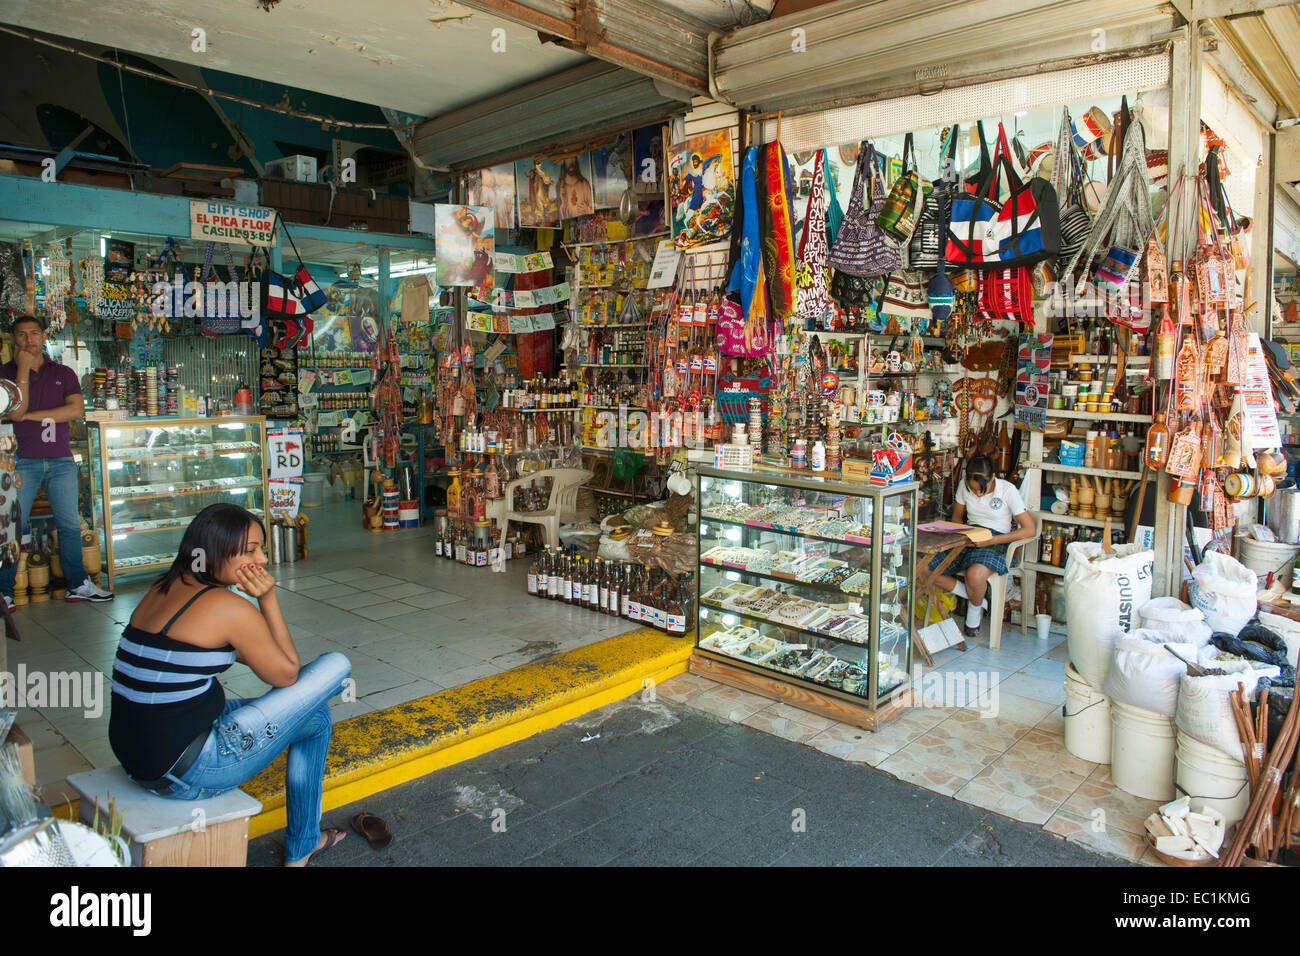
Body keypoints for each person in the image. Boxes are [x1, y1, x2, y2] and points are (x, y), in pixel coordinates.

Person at [107, 503, 353, 866]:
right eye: (250, 550)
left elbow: (218, 653)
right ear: (215, 552)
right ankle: (301, 847)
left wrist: (258, 645)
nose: (262, 560)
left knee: (316, 720)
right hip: (189, 771)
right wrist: (267, 598)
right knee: (336, 666)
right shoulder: (227, 606)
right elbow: (287, 674)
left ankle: (303, 846)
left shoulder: (163, 588)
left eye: (262, 549)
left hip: (138, 760)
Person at [0, 314, 113, 607]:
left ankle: (78, 584)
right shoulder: (4, 374)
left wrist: (29, 416)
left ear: (43, 336)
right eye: (22, 335)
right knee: (12, 526)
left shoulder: (63, 372)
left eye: (34, 333)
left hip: (60, 459)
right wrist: (22, 369)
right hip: (19, 461)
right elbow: (13, 412)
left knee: (69, 525)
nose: (28, 340)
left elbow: (75, 411)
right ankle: (5, 592)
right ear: (14, 340)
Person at [930, 455, 1037, 637]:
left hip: (997, 540)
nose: (978, 494)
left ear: (993, 477)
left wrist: (991, 541)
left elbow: (1030, 530)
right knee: (925, 567)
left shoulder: (1007, 490)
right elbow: (956, 517)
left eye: (982, 490)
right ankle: (976, 598)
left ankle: (974, 607)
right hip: (968, 535)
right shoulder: (965, 485)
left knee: (975, 574)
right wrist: (963, 532)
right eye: (973, 490)